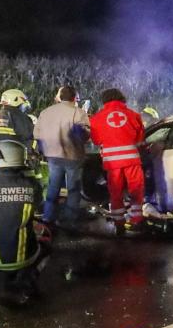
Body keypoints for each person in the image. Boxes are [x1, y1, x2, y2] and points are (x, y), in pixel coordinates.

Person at [0, 140, 50, 301]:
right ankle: (27, 278)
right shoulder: (32, 186)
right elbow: (38, 207)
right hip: (24, 258)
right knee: (47, 247)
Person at [89, 87, 147, 232]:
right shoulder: (133, 115)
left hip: (112, 162)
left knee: (115, 192)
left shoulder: (97, 118)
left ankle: (119, 222)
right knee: (136, 189)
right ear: (121, 98)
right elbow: (140, 138)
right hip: (131, 160)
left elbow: (96, 141)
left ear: (104, 100)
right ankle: (137, 219)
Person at [35, 85, 90, 228]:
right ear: (74, 97)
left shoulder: (46, 112)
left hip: (52, 155)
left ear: (60, 97)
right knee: (73, 190)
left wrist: (43, 150)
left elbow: (38, 135)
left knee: (53, 187)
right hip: (73, 156)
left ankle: (48, 217)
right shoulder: (78, 112)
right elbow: (85, 135)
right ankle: (69, 220)